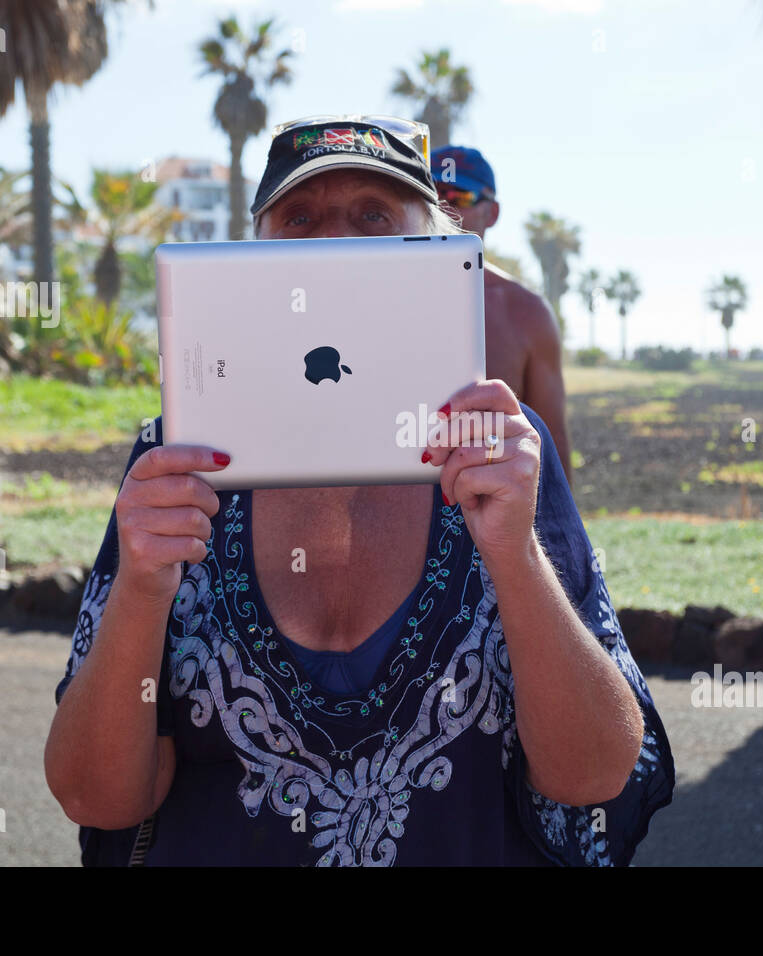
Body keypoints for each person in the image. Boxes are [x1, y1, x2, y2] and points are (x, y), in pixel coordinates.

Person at [44, 115, 673, 866]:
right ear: (256, 255)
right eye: (299, 216)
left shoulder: (501, 450)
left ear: (438, 245)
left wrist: (516, 558)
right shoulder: (182, 458)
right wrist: (143, 589)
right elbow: (96, 796)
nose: (332, 241)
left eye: (374, 215)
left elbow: (592, 775)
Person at [431, 144, 573, 484]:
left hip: (491, 519)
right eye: (431, 193)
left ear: (491, 213)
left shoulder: (525, 312)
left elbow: (551, 448)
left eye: (459, 195)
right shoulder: (375, 297)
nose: (443, 206)